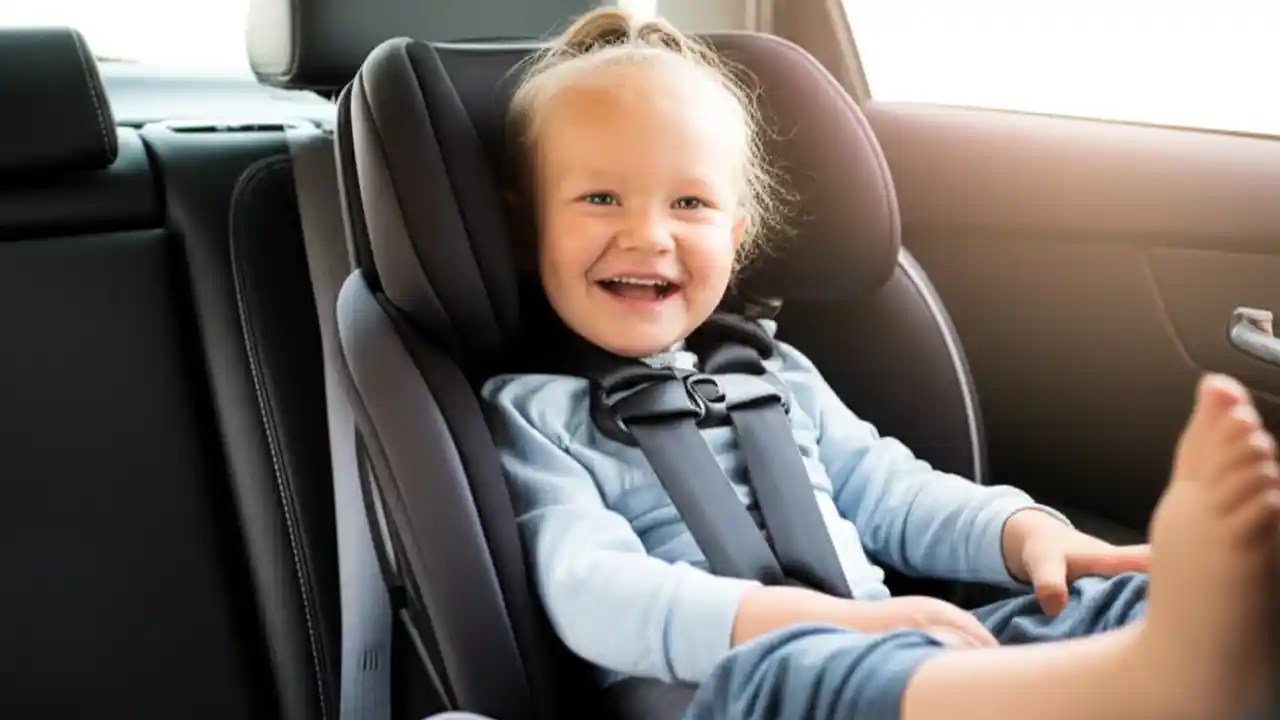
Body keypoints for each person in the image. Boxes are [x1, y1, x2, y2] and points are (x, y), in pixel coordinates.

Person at [479, 8, 1280, 719]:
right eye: (601, 199)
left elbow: (892, 492)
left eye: (689, 203)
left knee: (1109, 601)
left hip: (890, 657)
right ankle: (1157, 682)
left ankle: (1180, 655)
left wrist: (1025, 532)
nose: (650, 235)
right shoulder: (531, 412)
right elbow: (590, 590)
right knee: (802, 672)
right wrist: (823, 622)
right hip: (729, 688)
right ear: (525, 231)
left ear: (736, 234)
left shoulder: (774, 376)